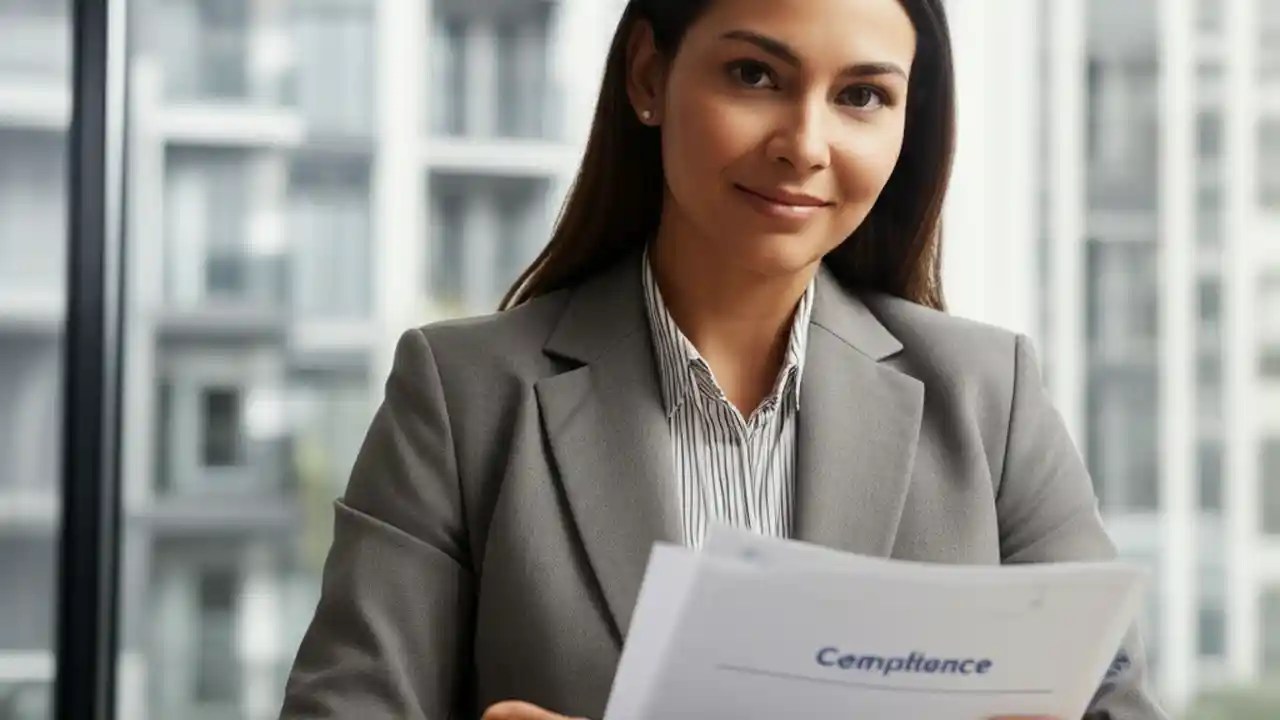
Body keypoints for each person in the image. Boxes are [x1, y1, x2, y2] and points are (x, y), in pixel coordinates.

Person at [279, 0, 1168, 718]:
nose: (804, 144)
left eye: (862, 96)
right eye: (755, 75)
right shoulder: (464, 394)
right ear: (648, 75)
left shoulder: (990, 398)